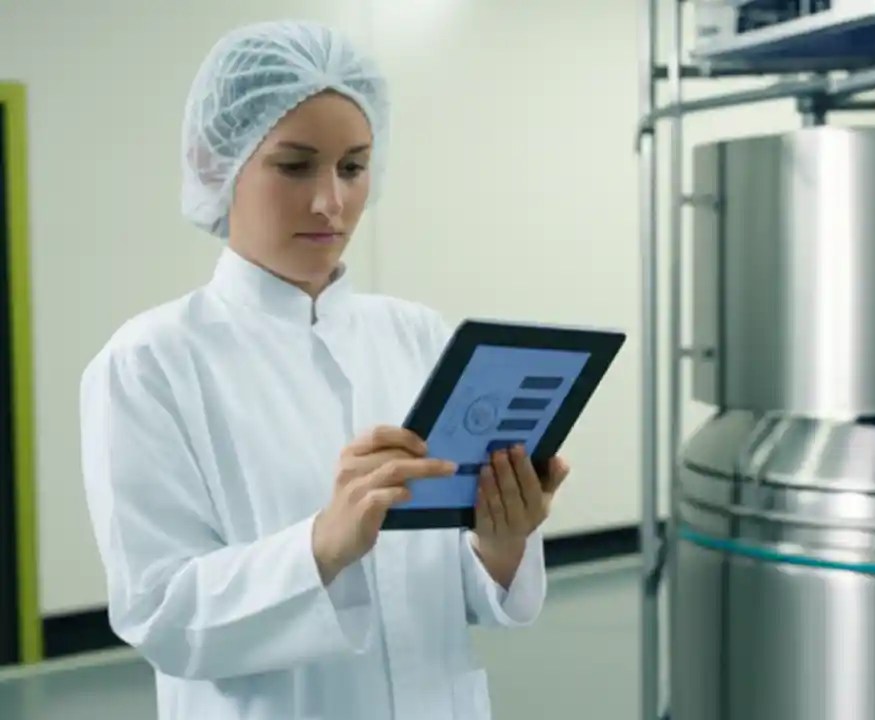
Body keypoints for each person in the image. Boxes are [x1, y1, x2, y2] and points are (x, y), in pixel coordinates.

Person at [78, 20, 568, 720]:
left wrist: (500, 540)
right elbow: (160, 612)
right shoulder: (150, 363)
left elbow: (458, 590)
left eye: (353, 167)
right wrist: (320, 545)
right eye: (294, 165)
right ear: (219, 164)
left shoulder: (417, 334)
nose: (330, 203)